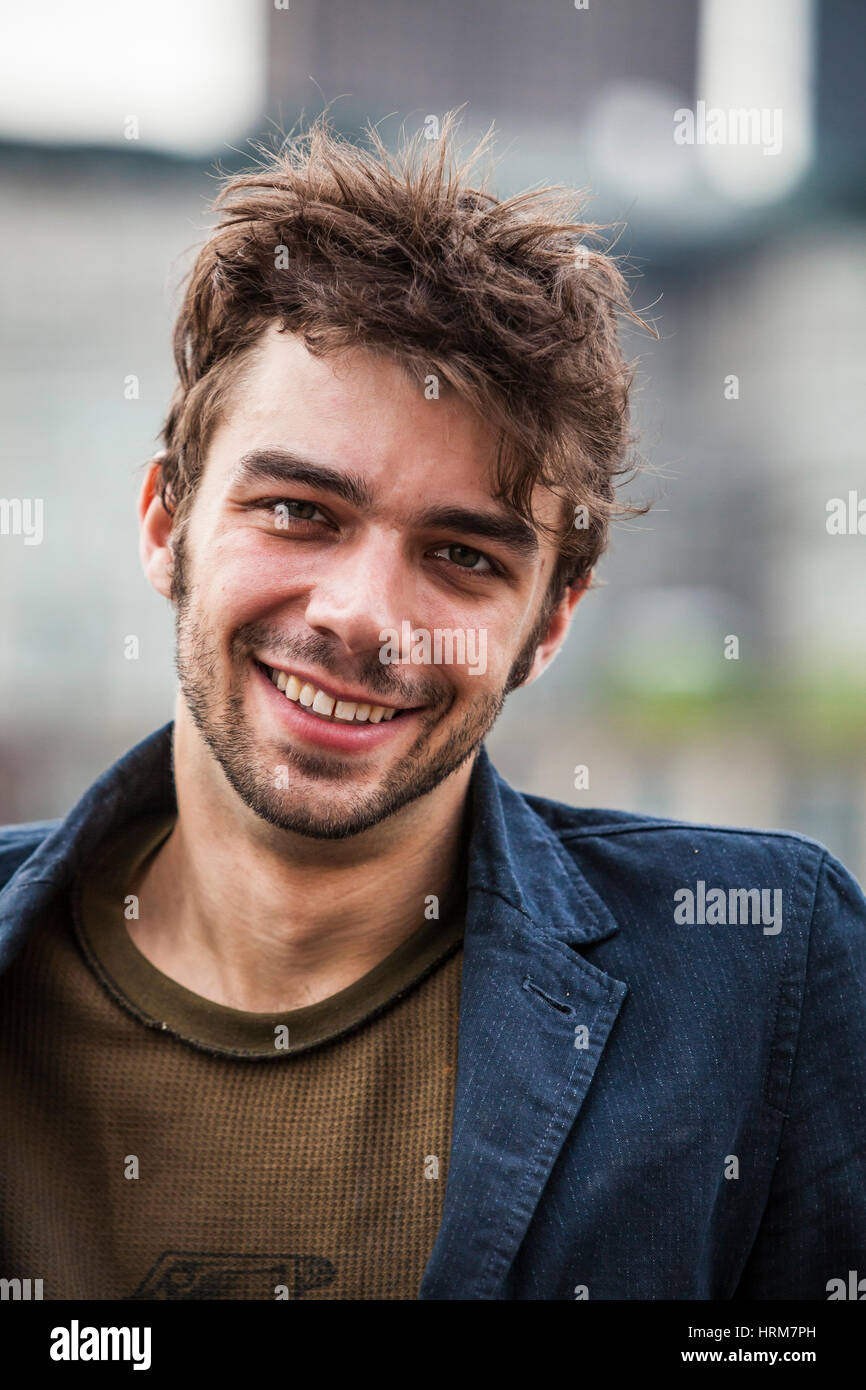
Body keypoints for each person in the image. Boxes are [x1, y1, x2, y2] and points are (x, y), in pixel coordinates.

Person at [0, 117, 863, 1302]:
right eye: (300, 511)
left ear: (549, 624)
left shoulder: (762, 966)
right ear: (166, 525)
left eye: (461, 554)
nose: (363, 616)